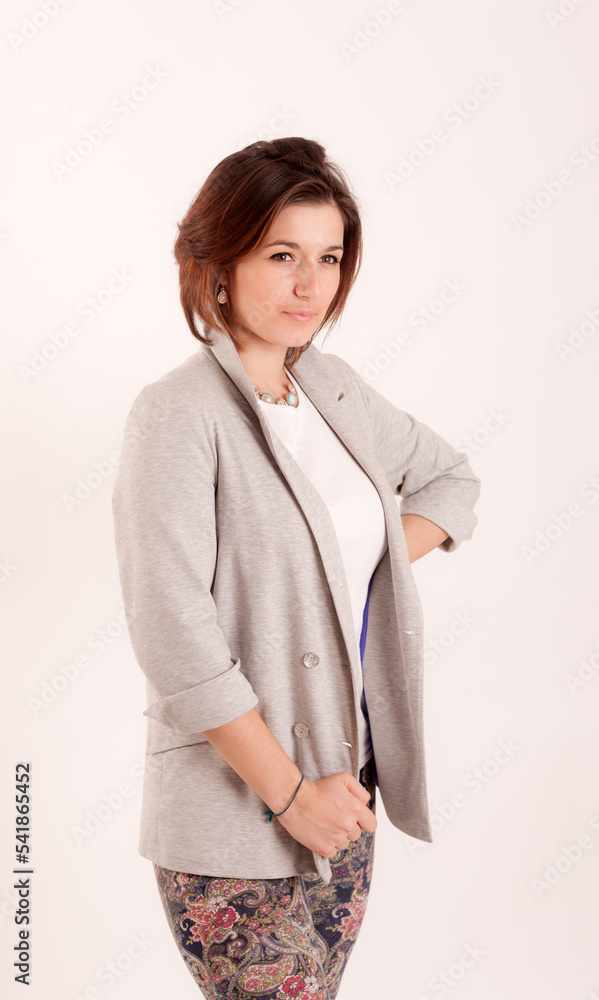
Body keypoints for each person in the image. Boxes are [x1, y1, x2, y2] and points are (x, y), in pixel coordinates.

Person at [111, 136, 481, 1000]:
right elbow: (171, 634)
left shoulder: (334, 389)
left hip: (344, 801)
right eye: (282, 255)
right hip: (239, 811)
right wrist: (289, 798)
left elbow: (449, 478)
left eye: (328, 257)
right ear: (218, 264)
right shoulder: (176, 415)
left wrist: (364, 563)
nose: (310, 285)